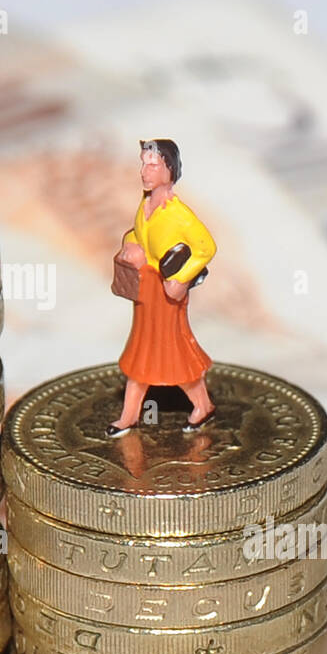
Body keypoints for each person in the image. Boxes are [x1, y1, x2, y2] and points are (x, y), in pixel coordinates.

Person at [108, 139, 216, 436]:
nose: (145, 171)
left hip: (167, 296)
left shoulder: (179, 214)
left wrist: (182, 278)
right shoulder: (145, 204)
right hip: (146, 293)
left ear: (170, 169)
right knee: (141, 352)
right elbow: (137, 236)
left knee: (174, 354)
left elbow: (206, 248)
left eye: (153, 165)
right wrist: (128, 246)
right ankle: (129, 416)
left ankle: (203, 406)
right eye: (143, 163)